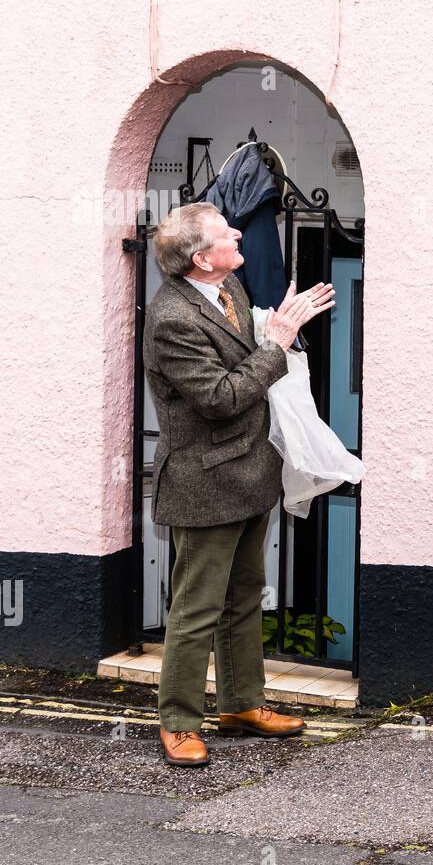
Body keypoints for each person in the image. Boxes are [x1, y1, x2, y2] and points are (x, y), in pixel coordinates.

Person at [144, 202, 335, 767]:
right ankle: (178, 721)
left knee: (244, 598)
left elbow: (251, 363)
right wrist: (276, 343)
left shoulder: (231, 291)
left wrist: (280, 332)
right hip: (205, 482)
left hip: (251, 473)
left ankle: (241, 705)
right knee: (195, 608)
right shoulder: (173, 318)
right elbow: (222, 398)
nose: (236, 231)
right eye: (225, 232)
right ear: (202, 258)